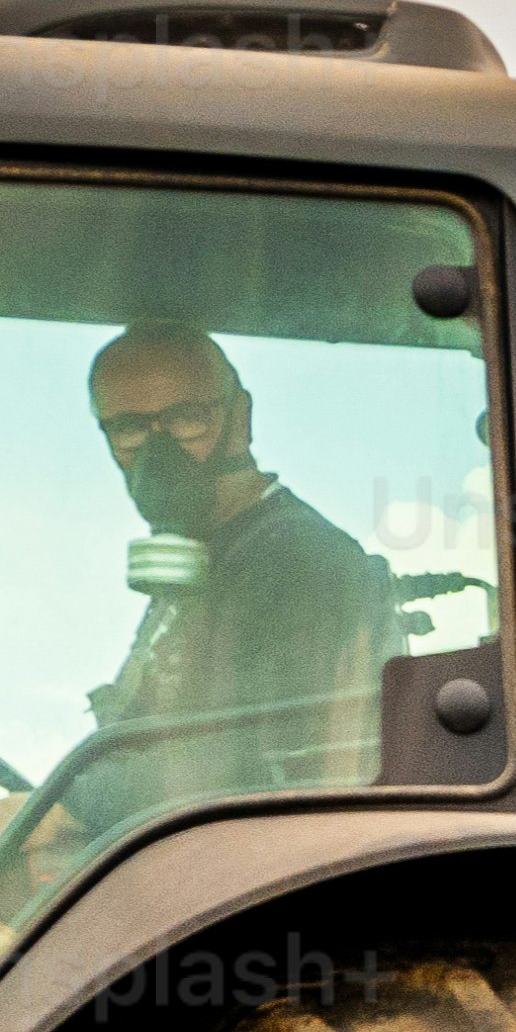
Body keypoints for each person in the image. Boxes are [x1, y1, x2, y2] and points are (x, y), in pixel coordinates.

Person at [69, 326, 399, 811]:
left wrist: (66, 808)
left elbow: (252, 760)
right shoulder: (207, 563)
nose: (156, 452)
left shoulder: (295, 557)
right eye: (129, 427)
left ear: (240, 419)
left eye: (186, 419)